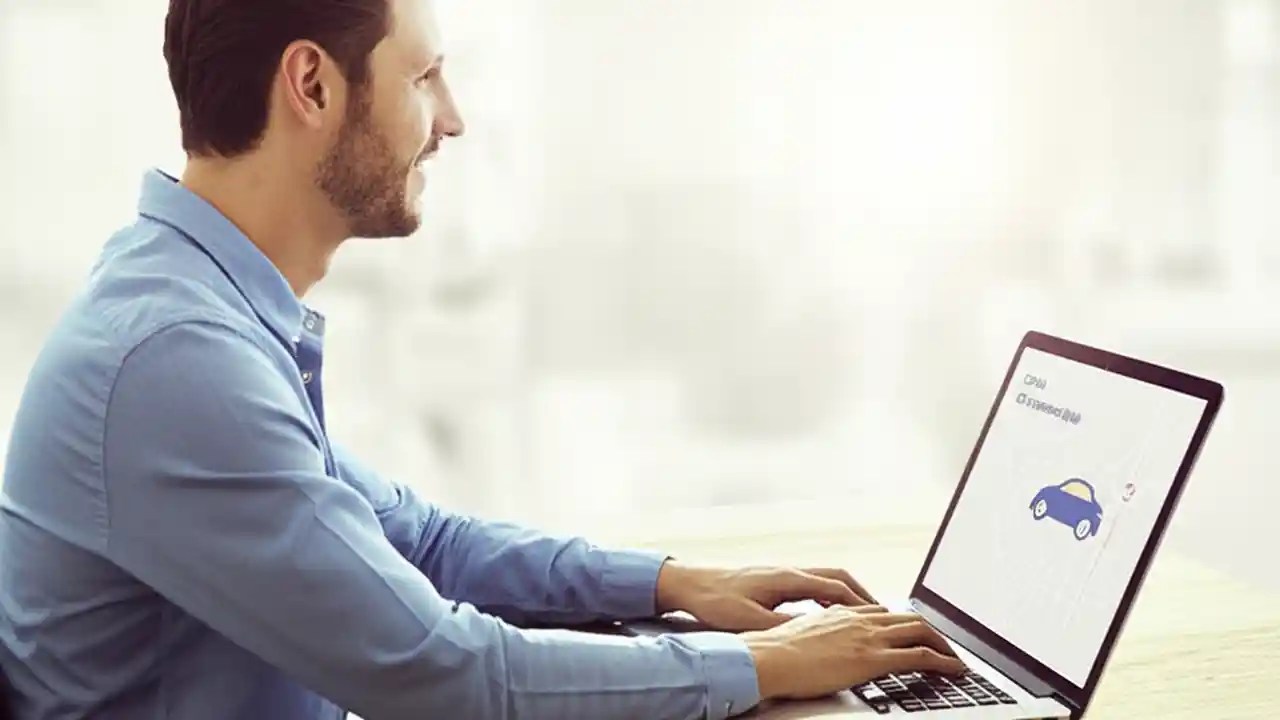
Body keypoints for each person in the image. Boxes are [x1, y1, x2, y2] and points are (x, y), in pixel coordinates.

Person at [0, 0, 965, 718]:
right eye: (424, 77)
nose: (452, 119)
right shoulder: (175, 360)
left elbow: (417, 541)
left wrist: (673, 584)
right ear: (312, 85)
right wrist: (771, 666)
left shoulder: (191, 300)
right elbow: (442, 673)